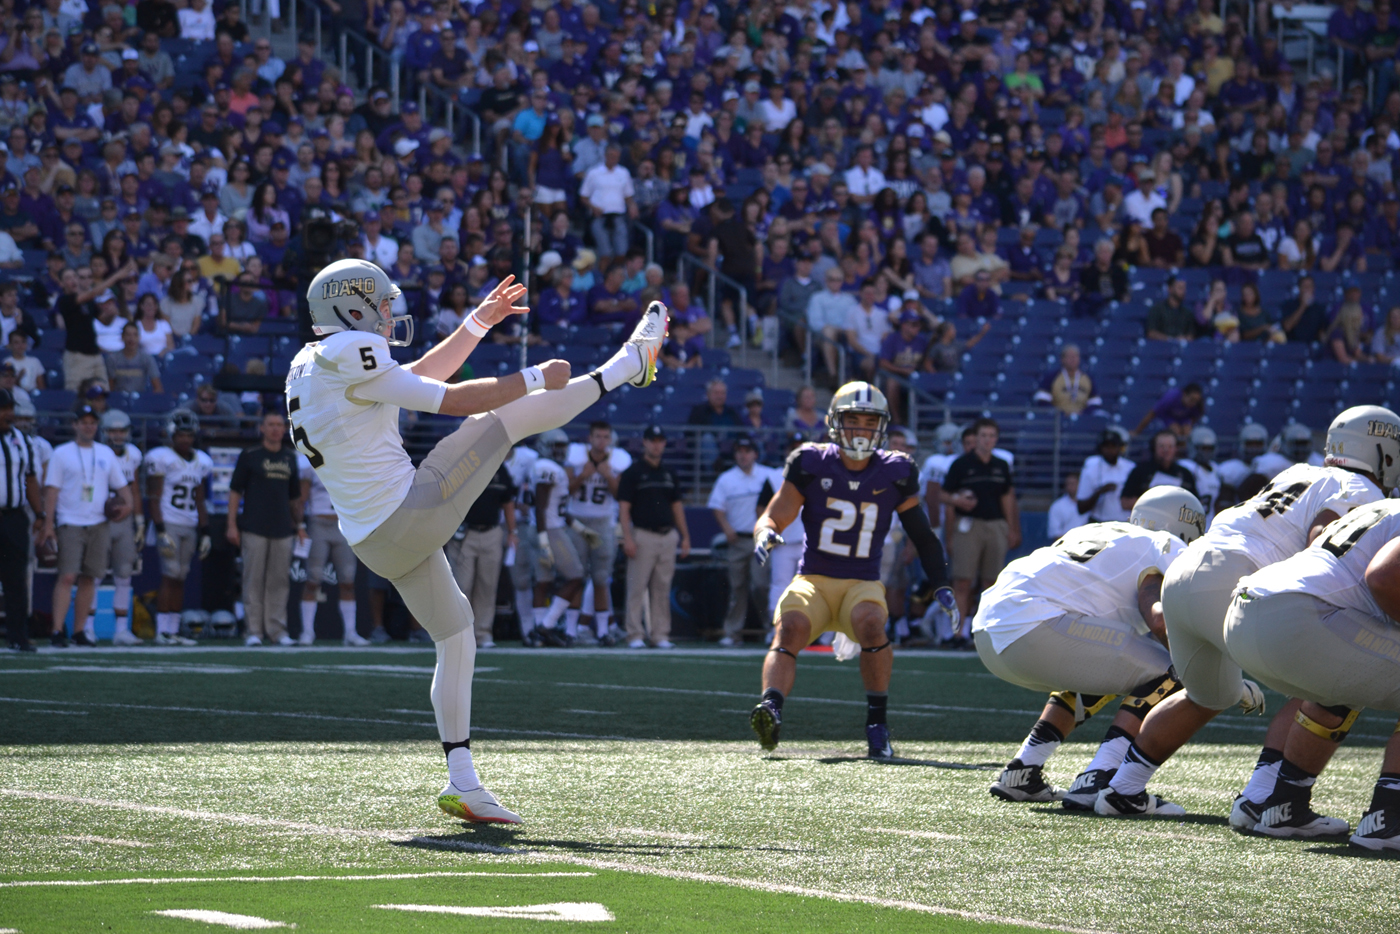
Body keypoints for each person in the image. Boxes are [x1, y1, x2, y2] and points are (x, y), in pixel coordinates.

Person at [285, 258, 667, 824]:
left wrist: (477, 324)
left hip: (374, 540)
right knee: (503, 417)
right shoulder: (349, 351)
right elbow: (455, 399)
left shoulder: (311, 362)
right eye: (381, 304)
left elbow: (417, 378)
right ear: (352, 307)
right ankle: (627, 366)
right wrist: (535, 377)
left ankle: (463, 782)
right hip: (410, 513)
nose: (388, 313)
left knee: (456, 633)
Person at [1095, 406, 1398, 819]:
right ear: (1383, 452)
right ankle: (1261, 799)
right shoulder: (1359, 487)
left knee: (1207, 695)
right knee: (1321, 682)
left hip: (1187, 569)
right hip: (1237, 574)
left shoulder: (1297, 472)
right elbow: (1321, 537)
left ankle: (1122, 789)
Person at [750, 382, 957, 758]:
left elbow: (923, 536)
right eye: (853, 420)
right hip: (814, 579)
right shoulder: (811, 461)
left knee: (871, 622)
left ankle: (877, 725)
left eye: (869, 422)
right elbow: (774, 514)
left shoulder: (896, 470)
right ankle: (771, 709)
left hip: (862, 582)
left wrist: (941, 582)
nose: (861, 429)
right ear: (834, 422)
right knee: (790, 626)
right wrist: (765, 532)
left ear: (881, 426)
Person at [978, 488, 1204, 806]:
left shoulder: (1096, 530)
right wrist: (1214, 671)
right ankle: (1100, 776)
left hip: (988, 627)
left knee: (1112, 664)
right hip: (1035, 623)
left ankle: (1023, 769)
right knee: (1175, 668)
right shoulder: (1165, 543)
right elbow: (1160, 621)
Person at [1224, 498, 1400, 848]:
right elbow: (1382, 577)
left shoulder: (1382, 507)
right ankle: (1388, 817)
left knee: (1344, 681)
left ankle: (1285, 806)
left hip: (1247, 609)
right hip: (1302, 614)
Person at [41, 405, 133, 647]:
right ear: (75, 425)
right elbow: (52, 491)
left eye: (92, 422)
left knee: (89, 578)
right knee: (67, 576)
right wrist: (49, 524)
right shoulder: (61, 453)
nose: (89, 426)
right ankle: (57, 630)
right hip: (70, 521)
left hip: (98, 522)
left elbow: (122, 485)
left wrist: (129, 506)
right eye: (84, 422)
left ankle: (79, 630)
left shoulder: (105, 453)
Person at [227, 411, 303, 647]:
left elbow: (295, 497)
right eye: (271, 424)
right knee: (253, 580)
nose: (276, 429)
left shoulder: (290, 457)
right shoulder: (250, 455)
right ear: (261, 428)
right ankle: (253, 631)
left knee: (279, 581)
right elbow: (235, 491)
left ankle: (277, 630)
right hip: (254, 527)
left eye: (280, 425)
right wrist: (231, 524)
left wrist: (300, 525)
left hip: (283, 529)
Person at [941, 417, 1021, 629]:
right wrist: (957, 500)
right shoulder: (960, 464)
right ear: (975, 438)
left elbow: (1007, 497)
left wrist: (1012, 528)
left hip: (995, 525)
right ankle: (957, 632)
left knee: (991, 582)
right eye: (983, 435)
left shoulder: (1001, 465)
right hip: (968, 526)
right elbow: (943, 494)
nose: (987, 440)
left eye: (992, 436)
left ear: (997, 439)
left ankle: (985, 629)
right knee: (962, 581)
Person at [617, 425, 690, 650]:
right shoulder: (633, 472)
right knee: (636, 587)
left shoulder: (669, 473)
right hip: (643, 535)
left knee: (662, 588)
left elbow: (677, 507)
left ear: (664, 444)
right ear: (645, 443)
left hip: (667, 535)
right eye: (652, 441)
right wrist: (627, 538)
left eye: (660, 441)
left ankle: (660, 634)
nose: (656, 445)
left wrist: (685, 536)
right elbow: (624, 509)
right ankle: (634, 634)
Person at [144, 410, 211, 646]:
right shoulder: (162, 458)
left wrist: (205, 532)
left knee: (181, 577)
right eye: (181, 435)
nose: (185, 439)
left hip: (189, 524)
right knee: (170, 576)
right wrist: (161, 529)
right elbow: (154, 497)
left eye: (189, 435)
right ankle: (162, 631)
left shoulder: (202, 461)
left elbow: (200, 499)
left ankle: (173, 630)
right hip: (170, 523)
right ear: (172, 435)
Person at [564, 420, 631, 645]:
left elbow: (620, 494)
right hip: (577, 521)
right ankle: (571, 630)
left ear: (610, 439)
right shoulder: (575, 456)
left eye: (605, 437)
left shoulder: (617, 460)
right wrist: (582, 476)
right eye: (598, 436)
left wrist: (608, 476)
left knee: (601, 578)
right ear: (590, 438)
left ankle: (603, 631)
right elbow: (566, 491)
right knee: (575, 576)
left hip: (603, 522)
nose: (601, 441)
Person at [709, 434, 779, 647]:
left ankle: (770, 628)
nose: (743, 455)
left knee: (761, 585)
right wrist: (727, 529)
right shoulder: (726, 479)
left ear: (755, 454)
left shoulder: (768, 475)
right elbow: (717, 507)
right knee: (736, 587)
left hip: (761, 540)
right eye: (739, 451)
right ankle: (733, 632)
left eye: (747, 451)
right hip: (738, 539)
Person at [298, 450, 370, 647]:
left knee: (348, 580)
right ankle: (307, 632)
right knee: (313, 579)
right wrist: (300, 526)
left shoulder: (349, 463)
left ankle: (350, 632)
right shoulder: (310, 464)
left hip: (342, 525)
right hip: (318, 523)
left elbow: (358, 496)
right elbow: (302, 498)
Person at [528, 429, 587, 645]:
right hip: (549, 531)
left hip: (542, 528)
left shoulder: (548, 467)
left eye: (563, 447)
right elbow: (541, 507)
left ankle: (538, 633)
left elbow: (556, 508)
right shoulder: (547, 468)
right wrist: (544, 538)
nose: (560, 451)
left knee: (543, 581)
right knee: (576, 576)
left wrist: (580, 529)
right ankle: (547, 626)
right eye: (556, 447)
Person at [448, 461, 516, 650]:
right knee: (462, 585)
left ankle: (483, 633)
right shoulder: (460, 466)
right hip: (464, 533)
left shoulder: (499, 469)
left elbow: (508, 501)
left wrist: (513, 531)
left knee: (488, 585)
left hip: (491, 532)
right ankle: (459, 634)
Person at [0, 386, 42, 652]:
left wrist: (40, 513)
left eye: (10, 408)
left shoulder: (22, 440)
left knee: (16, 579)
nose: (9, 414)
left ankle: (18, 635)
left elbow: (31, 479)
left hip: (14, 517)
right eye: (3, 409)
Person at [99, 410, 144, 646]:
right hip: (99, 519)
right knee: (93, 574)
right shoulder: (97, 453)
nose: (118, 435)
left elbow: (134, 489)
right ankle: (87, 628)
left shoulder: (133, 454)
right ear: (104, 432)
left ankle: (121, 630)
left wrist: (139, 520)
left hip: (124, 521)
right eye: (113, 431)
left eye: (122, 431)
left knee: (124, 575)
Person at [1120, 430, 1197, 511]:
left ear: (1176, 449)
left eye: (1170, 446)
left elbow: (1195, 504)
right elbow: (1125, 502)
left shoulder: (1185, 474)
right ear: (1153, 448)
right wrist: (1155, 502)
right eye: (1161, 446)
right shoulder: (1140, 471)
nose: (1166, 450)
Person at [1033, 344, 1101, 416]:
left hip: (1083, 416)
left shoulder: (1087, 378)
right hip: (1058, 417)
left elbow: (1095, 402)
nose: (1073, 359)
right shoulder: (1051, 377)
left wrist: (1085, 413)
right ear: (1062, 359)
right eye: (1069, 356)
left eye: (1075, 356)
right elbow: (1042, 400)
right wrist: (1060, 413)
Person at [103, 322, 164, 394]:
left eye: (135, 335)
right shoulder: (112, 359)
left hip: (141, 398)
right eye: (128, 335)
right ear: (122, 337)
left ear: (139, 337)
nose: (131, 339)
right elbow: (110, 388)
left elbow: (158, 387)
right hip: (119, 397)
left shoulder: (147, 358)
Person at [1133, 383, 1205, 438]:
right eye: (1192, 400)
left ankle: (1184, 451)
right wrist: (1137, 431)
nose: (1194, 403)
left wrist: (1189, 424)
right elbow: (1152, 413)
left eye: (1196, 401)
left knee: (1187, 432)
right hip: (1168, 417)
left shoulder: (1198, 405)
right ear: (1184, 394)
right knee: (1176, 431)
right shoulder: (1171, 397)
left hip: (1184, 418)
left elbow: (1195, 417)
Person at [1181, 426, 1223, 518]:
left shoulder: (1215, 468)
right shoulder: (1187, 467)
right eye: (1203, 448)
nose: (1206, 452)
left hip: (1209, 521)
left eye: (1209, 448)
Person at [1046, 474, 1088, 540]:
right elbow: (1055, 533)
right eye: (1069, 484)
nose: (1071, 486)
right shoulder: (1057, 506)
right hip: (1066, 544)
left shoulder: (1089, 503)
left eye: (1074, 483)